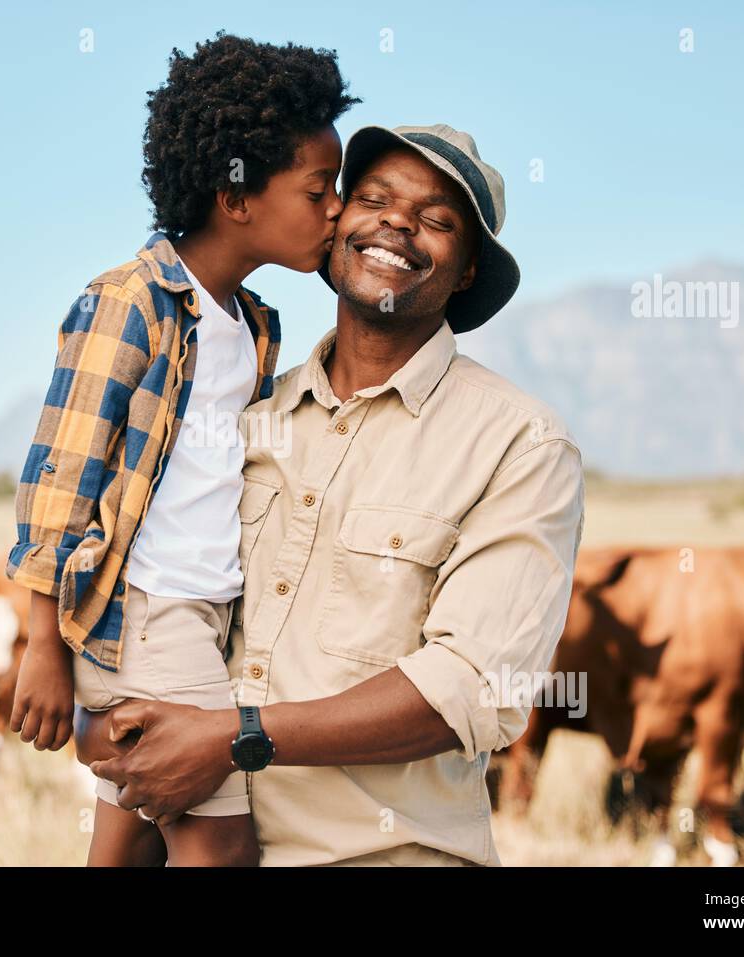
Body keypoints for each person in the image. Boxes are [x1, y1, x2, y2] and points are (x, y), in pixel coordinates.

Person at [76, 124, 587, 866]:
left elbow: (471, 686)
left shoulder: (521, 444)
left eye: (438, 219)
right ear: (337, 222)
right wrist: (98, 724)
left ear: (469, 267)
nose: (398, 223)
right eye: (372, 198)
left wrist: (235, 736)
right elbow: (154, 600)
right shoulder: (246, 418)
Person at [4, 33, 359, 866]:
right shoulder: (131, 304)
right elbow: (58, 475)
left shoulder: (256, 325)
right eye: (319, 190)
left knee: (128, 849)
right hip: (150, 615)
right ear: (237, 198)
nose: (338, 208)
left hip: (209, 614)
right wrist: (43, 647)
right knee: (222, 849)